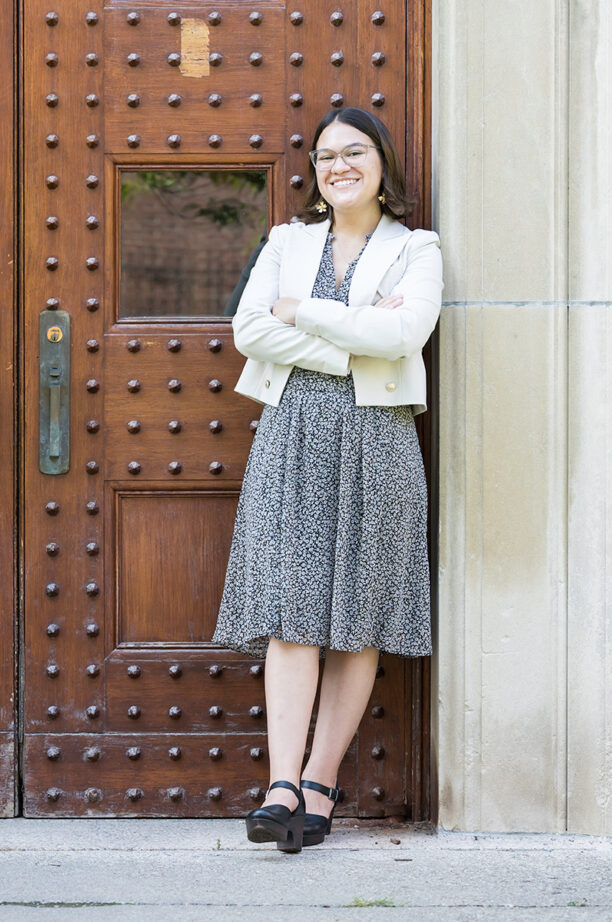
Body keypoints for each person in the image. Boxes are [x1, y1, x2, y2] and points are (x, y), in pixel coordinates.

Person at [213, 107, 442, 852]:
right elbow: (251, 329)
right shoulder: (288, 240)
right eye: (324, 156)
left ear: (382, 163)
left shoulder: (417, 249)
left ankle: (319, 783)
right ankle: (280, 784)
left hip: (378, 439)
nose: (338, 165)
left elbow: (404, 335)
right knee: (291, 608)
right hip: (293, 434)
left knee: (359, 615)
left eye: (354, 152)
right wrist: (349, 339)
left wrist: (303, 312)